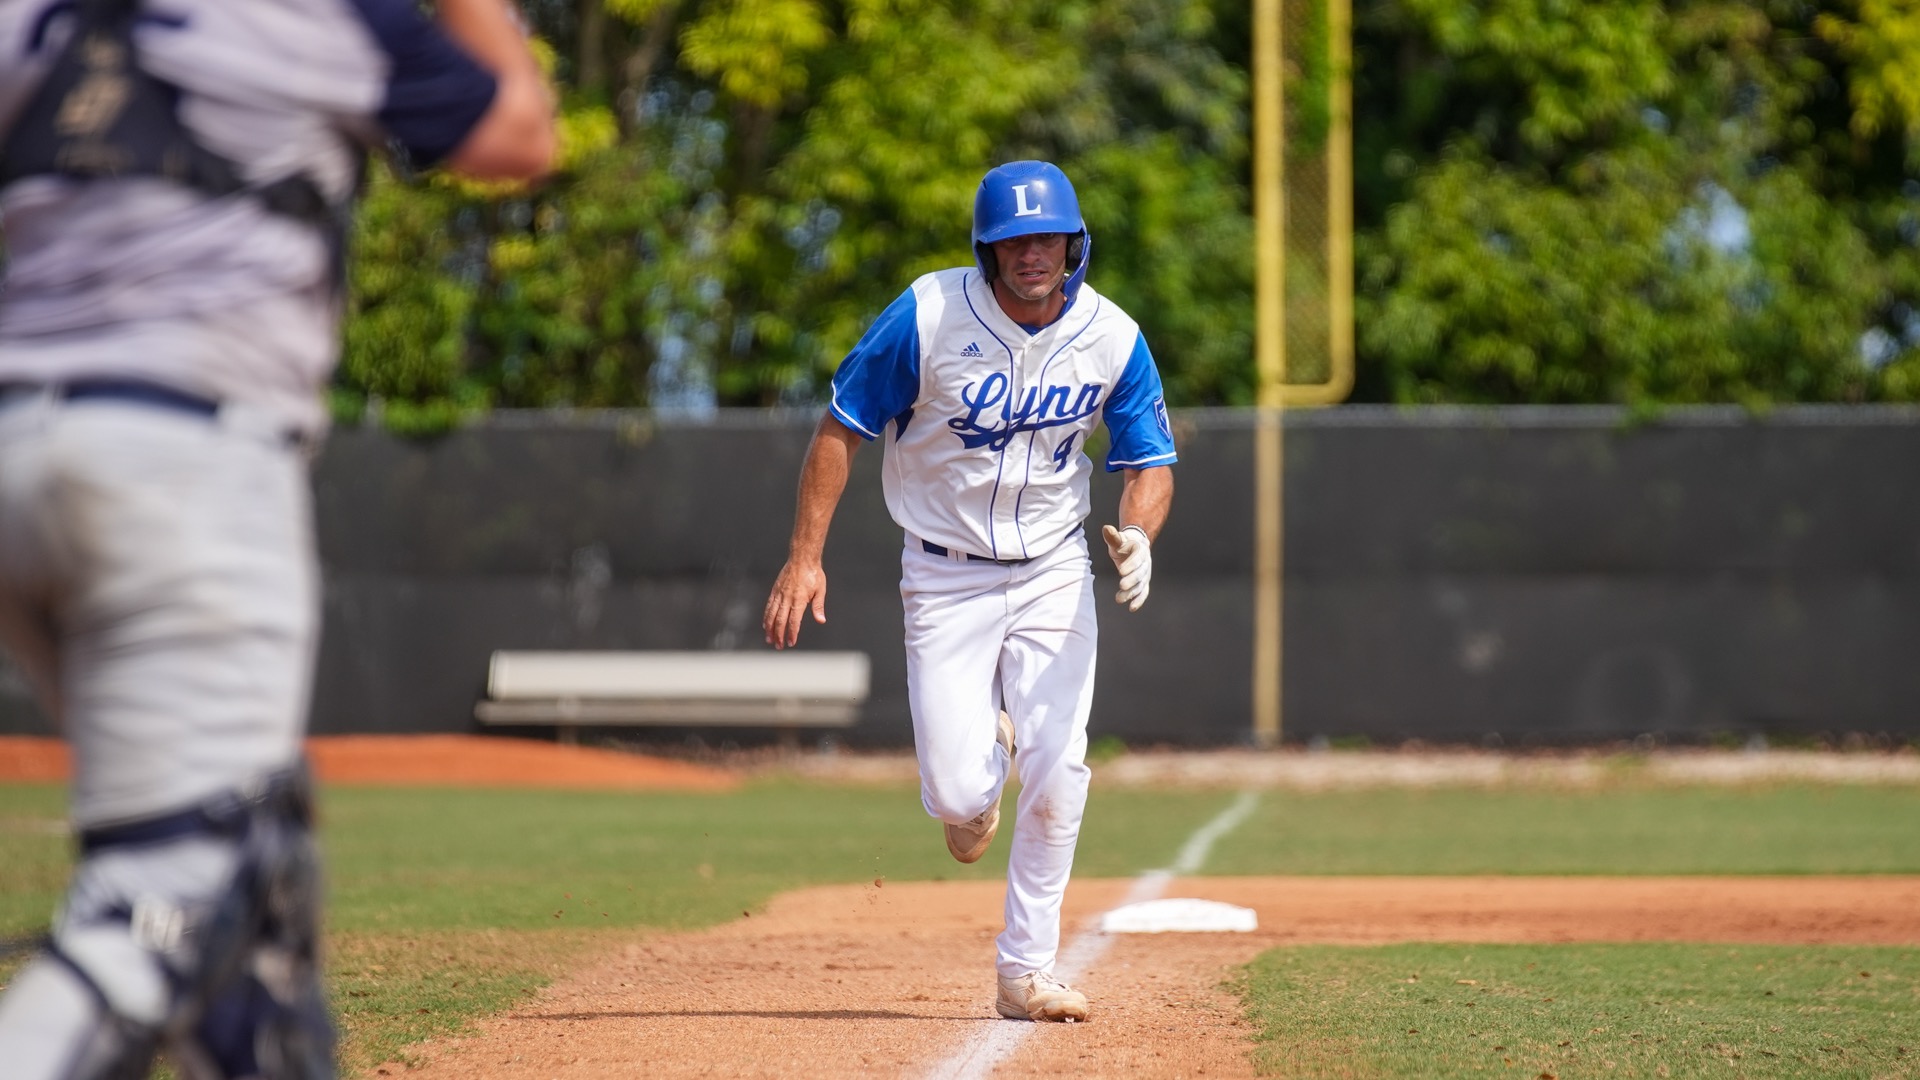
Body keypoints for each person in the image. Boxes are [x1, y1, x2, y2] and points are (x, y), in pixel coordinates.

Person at [0, 0, 554, 1075]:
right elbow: (518, 135)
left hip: (15, 448)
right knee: (173, 899)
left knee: (252, 927)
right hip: (182, 470)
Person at [762, 159, 1176, 1023]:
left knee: (1061, 768)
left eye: (1047, 237)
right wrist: (806, 556)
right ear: (987, 248)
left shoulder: (1112, 336)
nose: (1033, 253)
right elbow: (842, 425)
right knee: (955, 795)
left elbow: (1149, 462)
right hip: (945, 572)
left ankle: (1025, 972)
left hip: (1056, 568)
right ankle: (979, 776)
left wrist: (1138, 532)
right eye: (1014, 239)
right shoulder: (927, 315)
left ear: (1074, 244)